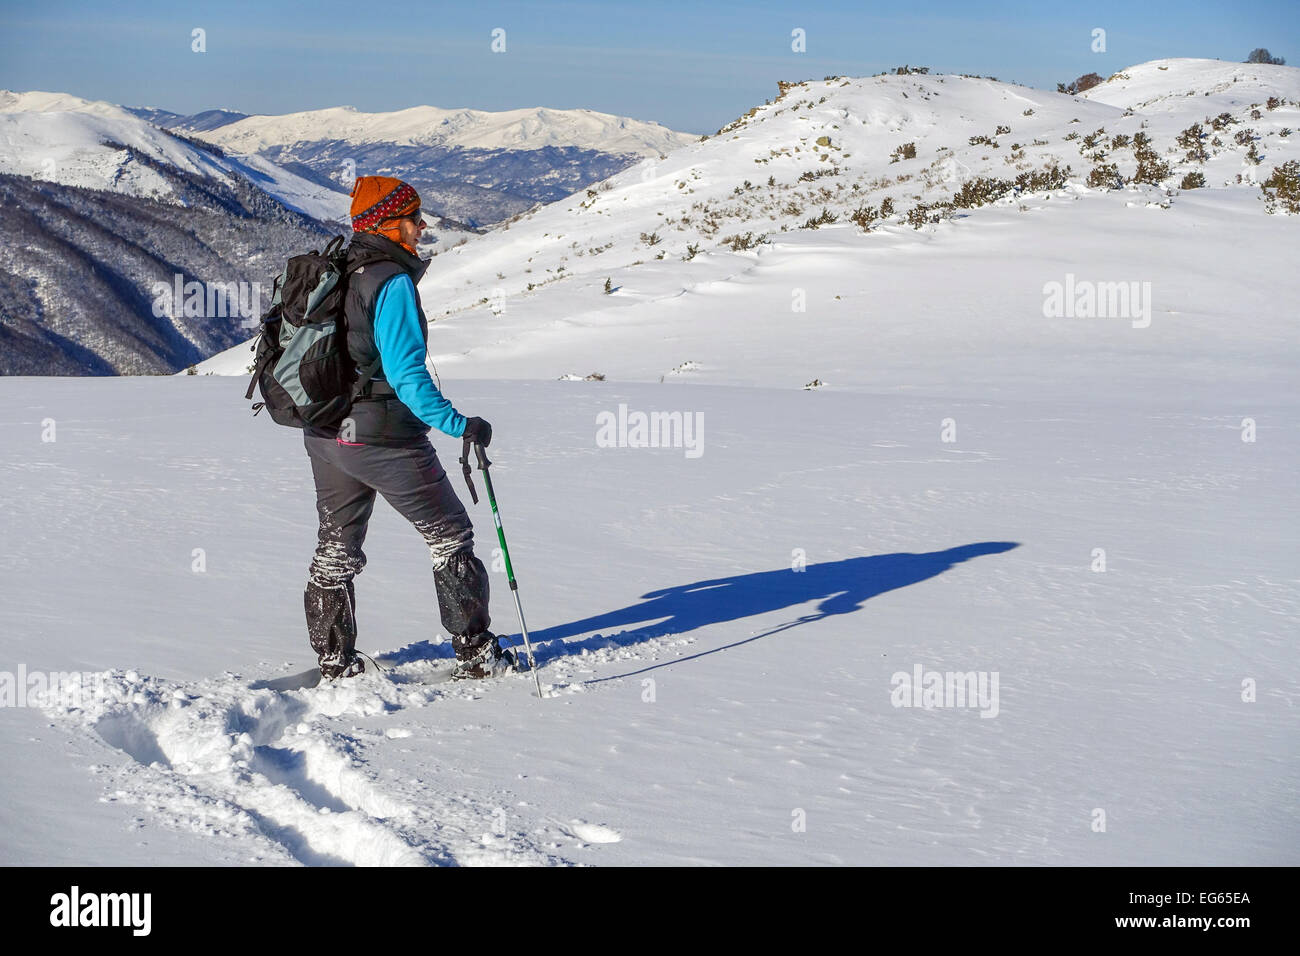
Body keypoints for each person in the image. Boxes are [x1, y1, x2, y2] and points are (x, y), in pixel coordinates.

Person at [302, 175, 512, 681]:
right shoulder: (390, 282)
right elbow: (407, 376)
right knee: (450, 535)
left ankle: (335, 662)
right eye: (414, 218)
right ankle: (476, 654)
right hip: (381, 435)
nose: (422, 226)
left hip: (327, 432)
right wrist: (459, 424)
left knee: (336, 546)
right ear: (389, 225)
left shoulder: (340, 269)